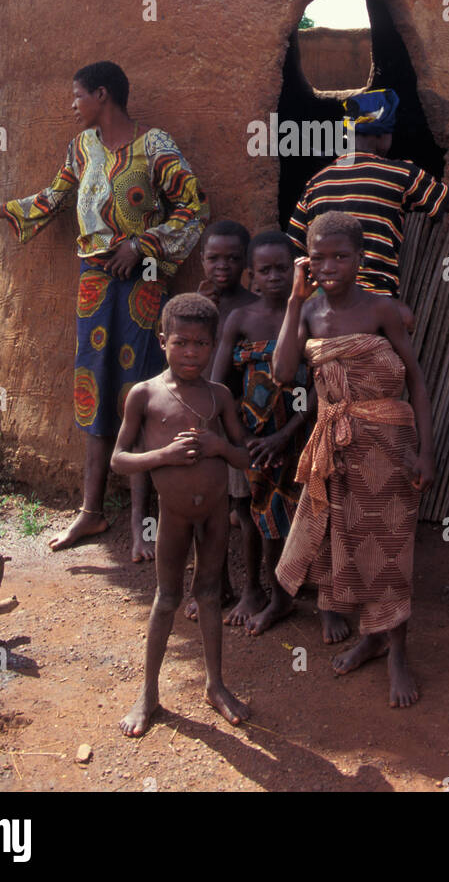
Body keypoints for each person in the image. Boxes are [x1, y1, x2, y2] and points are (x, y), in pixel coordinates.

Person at [0, 61, 207, 560]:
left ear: (102, 95)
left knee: (140, 388)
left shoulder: (155, 146)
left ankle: (143, 523)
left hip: (144, 281)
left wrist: (143, 243)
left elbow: (194, 207)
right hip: (94, 281)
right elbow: (52, 199)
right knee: (92, 385)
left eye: (78, 96)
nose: (72, 105)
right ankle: (92, 512)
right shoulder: (81, 148)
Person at [274, 211, 435, 707]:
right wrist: (294, 300)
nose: (329, 266)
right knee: (347, 542)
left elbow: (416, 380)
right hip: (337, 446)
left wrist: (427, 451)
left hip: (389, 444)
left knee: (389, 547)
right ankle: (371, 635)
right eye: (317, 257)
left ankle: (398, 655)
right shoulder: (308, 313)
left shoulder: (382, 310)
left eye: (341, 256)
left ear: (361, 259)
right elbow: (282, 371)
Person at [112, 293, 251, 734]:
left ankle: (215, 684)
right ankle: (148, 694)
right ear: (162, 342)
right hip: (172, 515)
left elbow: (245, 457)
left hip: (214, 513)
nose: (191, 353)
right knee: (167, 598)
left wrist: (220, 448)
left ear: (213, 346)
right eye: (181, 343)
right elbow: (119, 459)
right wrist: (164, 455)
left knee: (208, 595)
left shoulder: (220, 396)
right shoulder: (145, 395)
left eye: (201, 344)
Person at [286, 88, 449, 301]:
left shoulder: (316, 184)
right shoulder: (401, 175)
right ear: (382, 134)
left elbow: (294, 248)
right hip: (374, 300)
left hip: (323, 302)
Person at [211, 230, 312, 636]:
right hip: (251, 441)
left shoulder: (310, 316)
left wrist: (285, 434)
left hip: (299, 434)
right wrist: (240, 440)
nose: (274, 277)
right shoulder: (240, 319)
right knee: (257, 515)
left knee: (306, 512)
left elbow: (316, 389)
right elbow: (219, 385)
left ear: (296, 269)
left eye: (282, 269)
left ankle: (301, 590)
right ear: (251, 275)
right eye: (264, 270)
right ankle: (266, 592)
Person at [184, 220, 256, 620]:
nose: (222, 266)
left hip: (239, 424)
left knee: (244, 509)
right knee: (203, 509)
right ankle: (213, 585)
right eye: (213, 258)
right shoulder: (196, 310)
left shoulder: (252, 308)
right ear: (202, 260)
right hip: (200, 423)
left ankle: (253, 589)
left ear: (245, 261)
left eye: (232, 258)